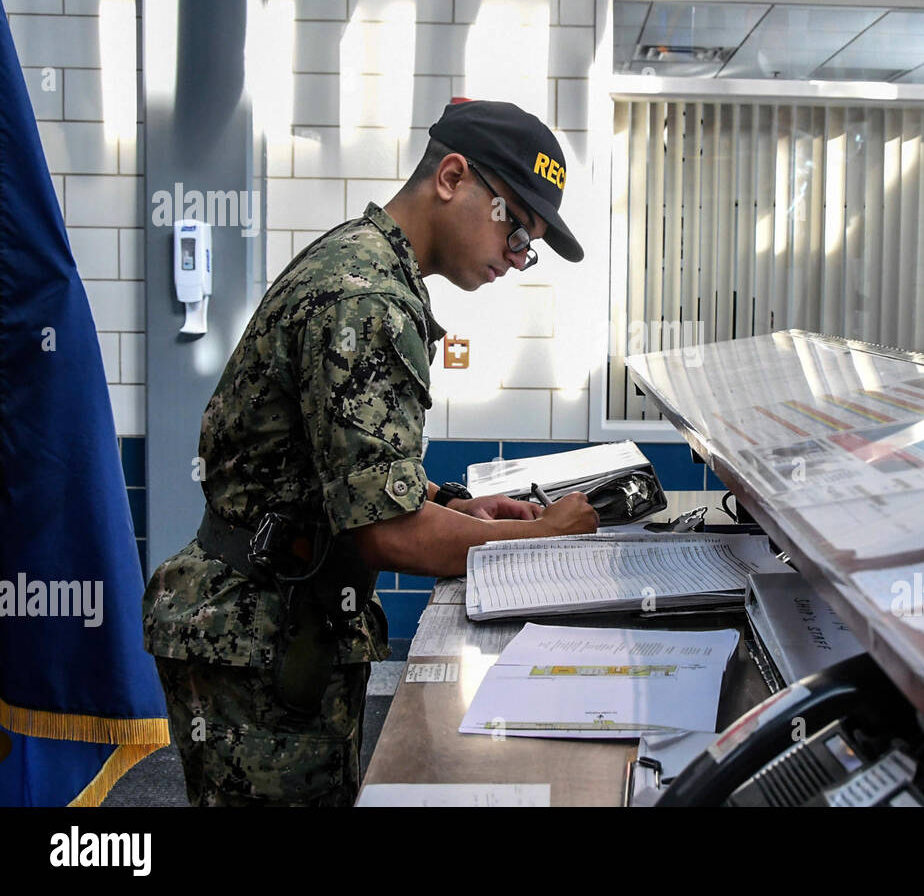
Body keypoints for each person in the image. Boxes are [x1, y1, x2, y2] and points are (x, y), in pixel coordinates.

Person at [142, 100, 599, 806]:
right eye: (517, 230)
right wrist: (542, 536)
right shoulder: (366, 297)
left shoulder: (369, 264)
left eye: (527, 246)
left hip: (281, 613)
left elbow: (347, 472)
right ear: (452, 177)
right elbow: (385, 531)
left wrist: (455, 507)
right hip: (259, 627)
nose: (516, 259)